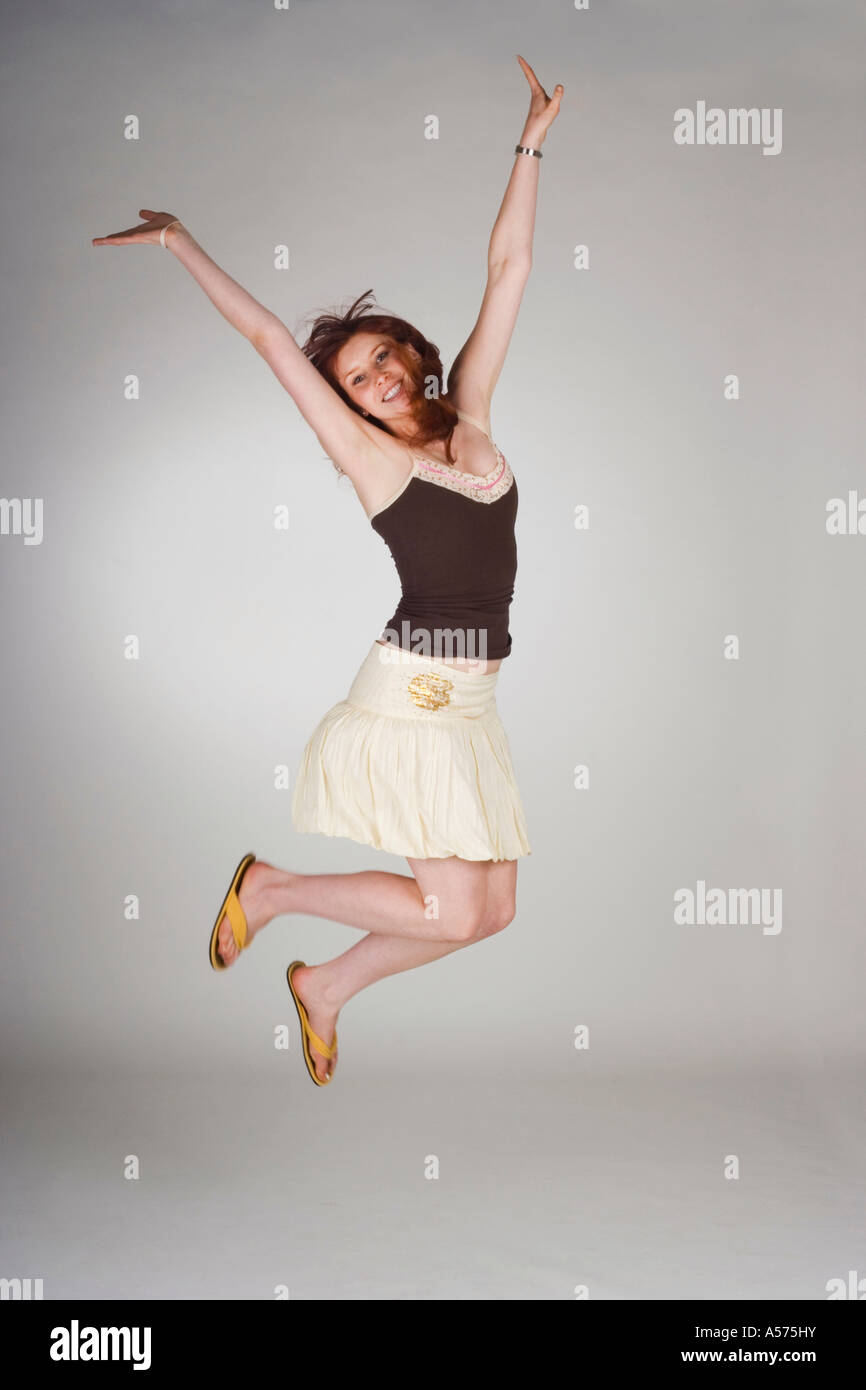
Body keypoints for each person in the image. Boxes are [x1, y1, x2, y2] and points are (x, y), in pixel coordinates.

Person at [93, 55, 563, 1086]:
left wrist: (529, 142)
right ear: (346, 405)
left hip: (474, 702)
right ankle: (270, 890)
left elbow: (509, 269)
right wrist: (180, 241)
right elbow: (270, 338)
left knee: (491, 912)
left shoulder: (470, 412)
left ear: (409, 351)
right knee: (450, 909)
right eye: (355, 379)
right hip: (413, 694)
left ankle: (325, 986)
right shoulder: (371, 459)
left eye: (382, 356)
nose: (376, 378)